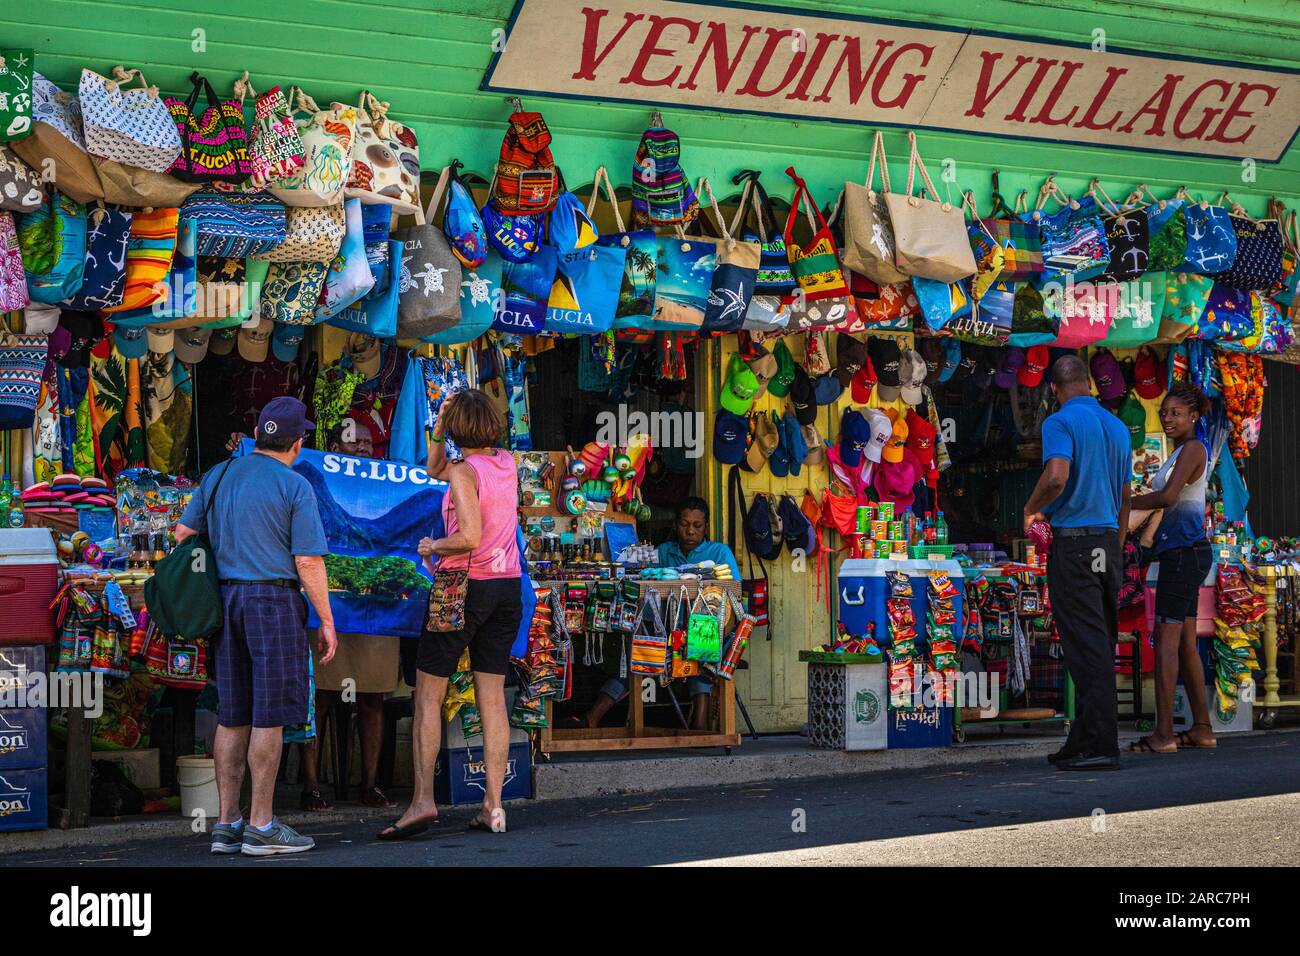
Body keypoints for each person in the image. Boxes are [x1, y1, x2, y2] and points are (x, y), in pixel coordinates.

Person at [176, 397, 336, 855]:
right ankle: (261, 827)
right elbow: (307, 560)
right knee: (269, 717)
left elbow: (183, 535)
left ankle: (227, 825)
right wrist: (326, 619)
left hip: (226, 602)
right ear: (298, 442)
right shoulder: (294, 485)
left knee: (234, 715)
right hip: (273, 601)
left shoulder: (220, 474)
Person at [380, 390, 521, 838]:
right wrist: (439, 430)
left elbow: (469, 537)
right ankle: (494, 805)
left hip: (462, 586)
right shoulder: (505, 463)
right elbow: (434, 468)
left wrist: (432, 546)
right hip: (506, 588)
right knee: (493, 698)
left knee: (427, 694)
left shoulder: (464, 472)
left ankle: (422, 801)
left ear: (460, 431)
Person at [1023, 356, 1131, 771]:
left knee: (1086, 648)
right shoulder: (1118, 428)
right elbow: (1124, 499)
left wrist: (1032, 510)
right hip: (1106, 544)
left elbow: (1056, 477)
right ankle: (1082, 739)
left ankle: (1102, 744)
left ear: (1054, 388)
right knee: (1097, 642)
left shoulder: (1059, 422)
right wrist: (1116, 546)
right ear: (1089, 384)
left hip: (1076, 546)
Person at [300, 421, 400, 811]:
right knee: (319, 697)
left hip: (376, 611)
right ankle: (311, 787)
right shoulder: (313, 479)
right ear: (330, 446)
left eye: (366, 442)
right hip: (325, 607)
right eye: (350, 441)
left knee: (373, 696)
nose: (360, 448)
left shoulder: (390, 480)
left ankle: (370, 785)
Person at [579, 497, 741, 732]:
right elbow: (643, 580)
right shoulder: (665, 551)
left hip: (707, 634)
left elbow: (733, 595)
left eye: (697, 526)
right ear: (676, 525)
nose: (690, 531)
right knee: (637, 656)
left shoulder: (719, 553)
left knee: (698, 650)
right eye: (685, 524)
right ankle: (592, 717)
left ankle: (700, 722)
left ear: (706, 528)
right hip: (666, 632)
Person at [1128, 383, 1216, 753]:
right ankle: (1202, 728)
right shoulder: (1180, 451)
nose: (1167, 418)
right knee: (1184, 645)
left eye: (1176, 412)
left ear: (1193, 416)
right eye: (1164, 412)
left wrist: (1126, 501)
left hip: (1184, 553)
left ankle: (1164, 734)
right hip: (1183, 552)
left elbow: (1166, 497)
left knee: (1166, 641)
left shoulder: (1193, 448)